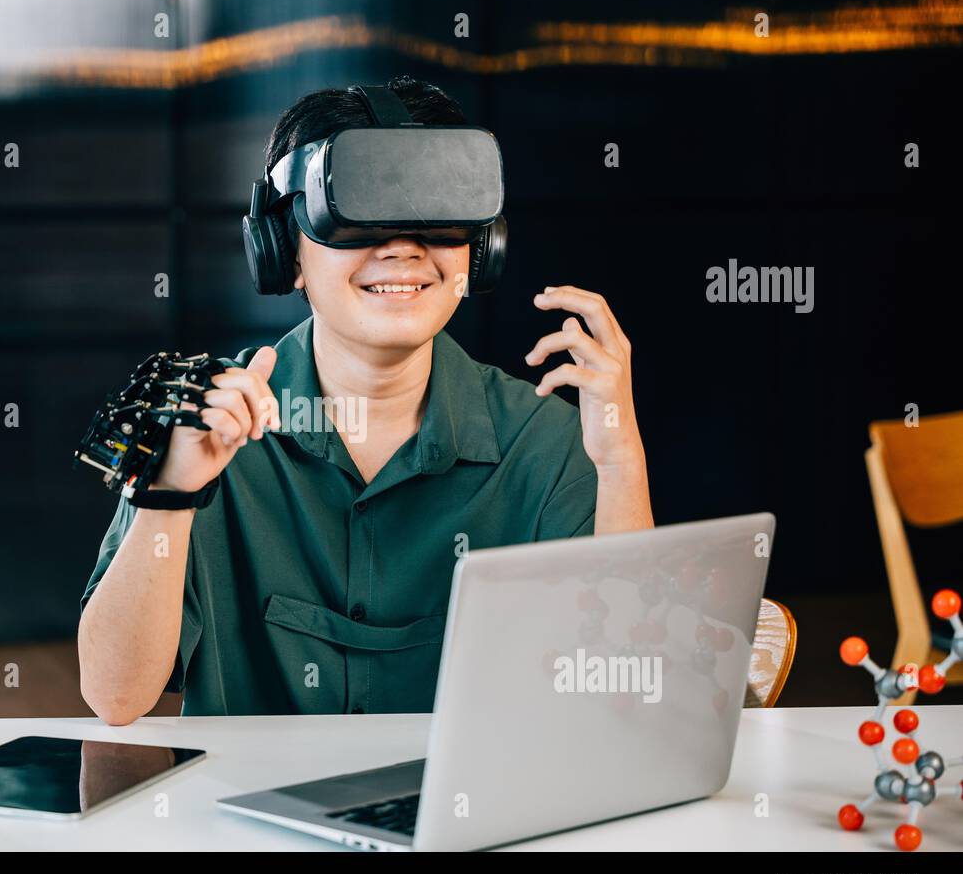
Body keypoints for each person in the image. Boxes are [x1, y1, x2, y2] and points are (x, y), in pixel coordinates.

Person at [79, 76, 652, 723]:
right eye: (355, 208)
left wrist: (619, 464)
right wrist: (171, 497)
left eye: (435, 211)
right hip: (239, 817)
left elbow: (625, 701)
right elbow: (115, 697)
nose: (402, 247)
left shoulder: (543, 440)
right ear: (283, 251)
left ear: (480, 251)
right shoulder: (207, 424)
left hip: (479, 820)